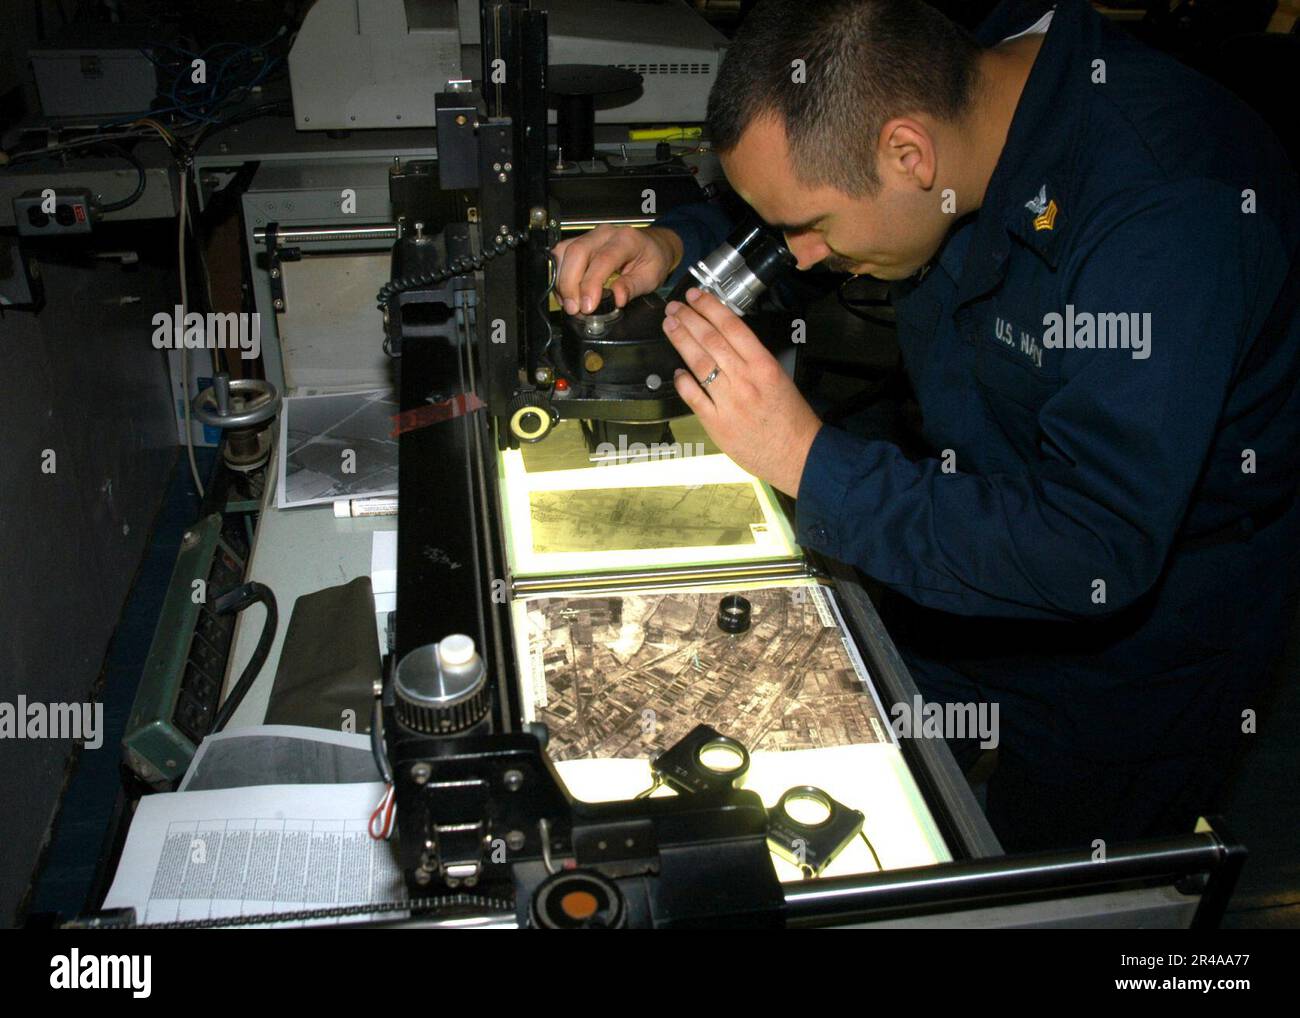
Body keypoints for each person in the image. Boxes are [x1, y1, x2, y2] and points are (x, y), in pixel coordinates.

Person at [551, 0, 1300, 853]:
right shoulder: (948, 81)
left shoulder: (1166, 215)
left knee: (1050, 874)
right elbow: (811, 193)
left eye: (808, 228)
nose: (795, 254)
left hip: (1138, 641)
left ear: (910, 154)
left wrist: (809, 462)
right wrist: (678, 247)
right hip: (963, 533)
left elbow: (1098, 541)